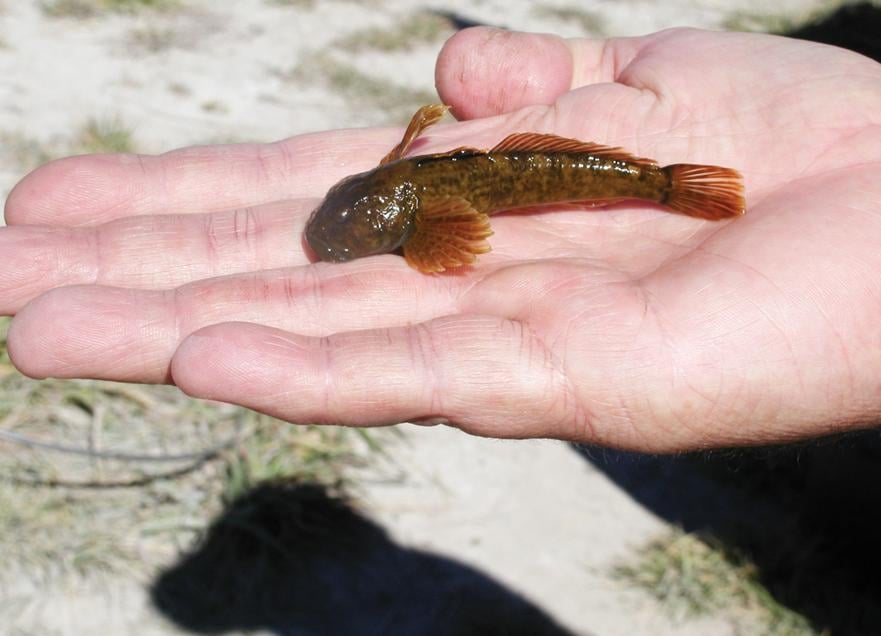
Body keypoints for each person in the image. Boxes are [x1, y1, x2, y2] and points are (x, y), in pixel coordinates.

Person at [2, 27, 880, 452]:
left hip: (537, 177)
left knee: (594, 177)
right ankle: (656, 183)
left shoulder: (421, 206)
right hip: (468, 178)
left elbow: (444, 227)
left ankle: (660, 185)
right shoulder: (397, 185)